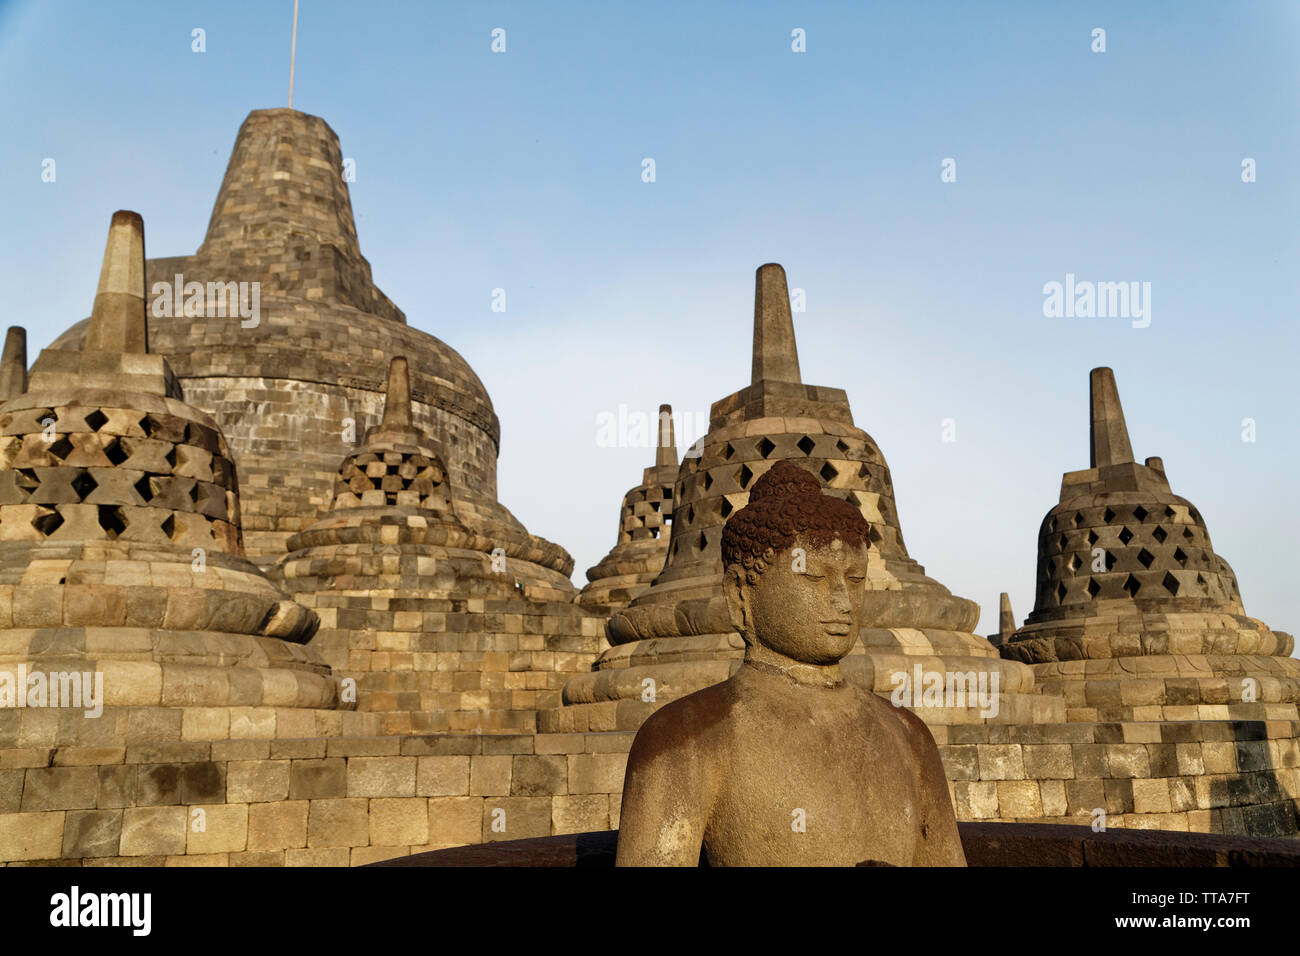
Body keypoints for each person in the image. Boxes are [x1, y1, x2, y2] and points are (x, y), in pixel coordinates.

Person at [615, 460, 966, 866]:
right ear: (741, 594)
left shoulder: (910, 737)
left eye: (854, 581)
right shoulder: (682, 738)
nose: (841, 601)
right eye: (813, 578)